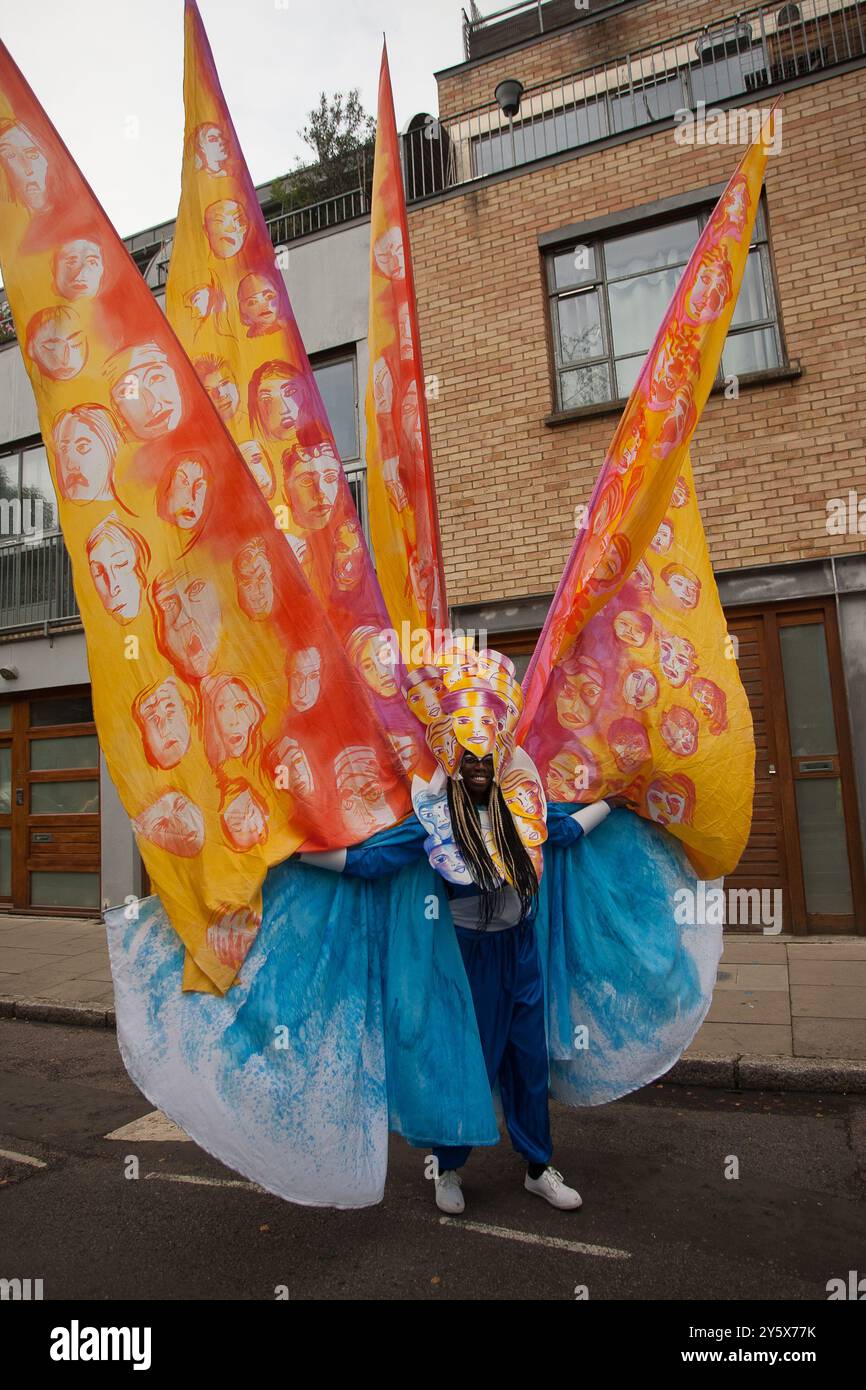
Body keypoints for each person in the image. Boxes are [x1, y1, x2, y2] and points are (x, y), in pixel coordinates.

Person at [301, 719, 634, 1217]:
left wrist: (615, 801)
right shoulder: (433, 818)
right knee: (466, 1060)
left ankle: (539, 1168)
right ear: (456, 764)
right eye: (469, 759)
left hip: (520, 953)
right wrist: (295, 853)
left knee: (528, 1061)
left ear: (498, 762)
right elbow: (371, 861)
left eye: (486, 759)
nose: (478, 768)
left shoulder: (520, 807)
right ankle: (448, 1165)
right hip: (465, 958)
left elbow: (561, 831)